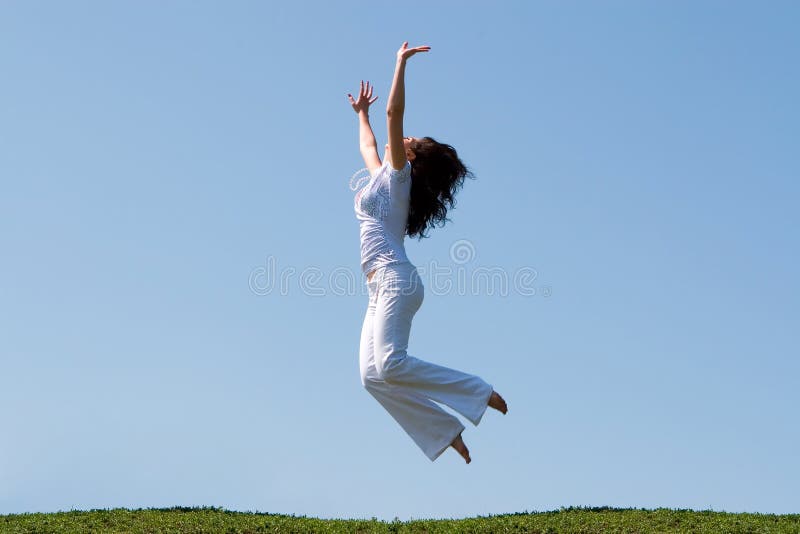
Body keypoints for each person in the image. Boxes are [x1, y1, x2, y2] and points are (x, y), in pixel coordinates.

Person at [347, 42, 508, 464]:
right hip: (379, 285)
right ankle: (443, 431)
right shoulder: (382, 178)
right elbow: (369, 145)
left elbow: (393, 115)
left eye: (409, 140)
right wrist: (360, 115)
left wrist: (399, 64)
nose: (403, 137)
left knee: (391, 364)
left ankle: (477, 390)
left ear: (411, 158)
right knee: (372, 376)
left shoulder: (399, 177)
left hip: (395, 279)